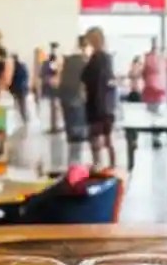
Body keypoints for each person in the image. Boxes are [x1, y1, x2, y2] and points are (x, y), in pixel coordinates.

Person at [81, 26, 117, 168]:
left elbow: (85, 77)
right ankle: (112, 165)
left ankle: (97, 163)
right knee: (108, 139)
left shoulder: (95, 59)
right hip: (107, 104)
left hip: (95, 103)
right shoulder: (108, 59)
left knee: (94, 137)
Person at [58, 35, 90, 163]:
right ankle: (75, 165)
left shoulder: (68, 59)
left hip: (65, 95)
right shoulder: (85, 61)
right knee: (78, 132)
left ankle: (71, 163)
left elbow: (61, 78)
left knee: (70, 131)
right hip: (78, 97)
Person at [39, 43, 61, 132]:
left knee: (54, 107)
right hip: (51, 88)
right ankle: (53, 126)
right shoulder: (49, 63)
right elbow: (43, 75)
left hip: (53, 88)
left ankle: (54, 125)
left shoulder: (49, 63)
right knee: (53, 107)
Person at [142, 41, 167, 106]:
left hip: (150, 89)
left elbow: (144, 74)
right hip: (161, 89)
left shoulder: (148, 58)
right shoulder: (164, 59)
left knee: (149, 110)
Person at [9, 53, 30, 125]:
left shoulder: (13, 67)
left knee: (17, 106)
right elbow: (26, 76)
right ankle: (24, 120)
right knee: (23, 106)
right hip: (22, 89)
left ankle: (20, 121)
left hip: (16, 89)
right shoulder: (22, 66)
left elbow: (11, 79)